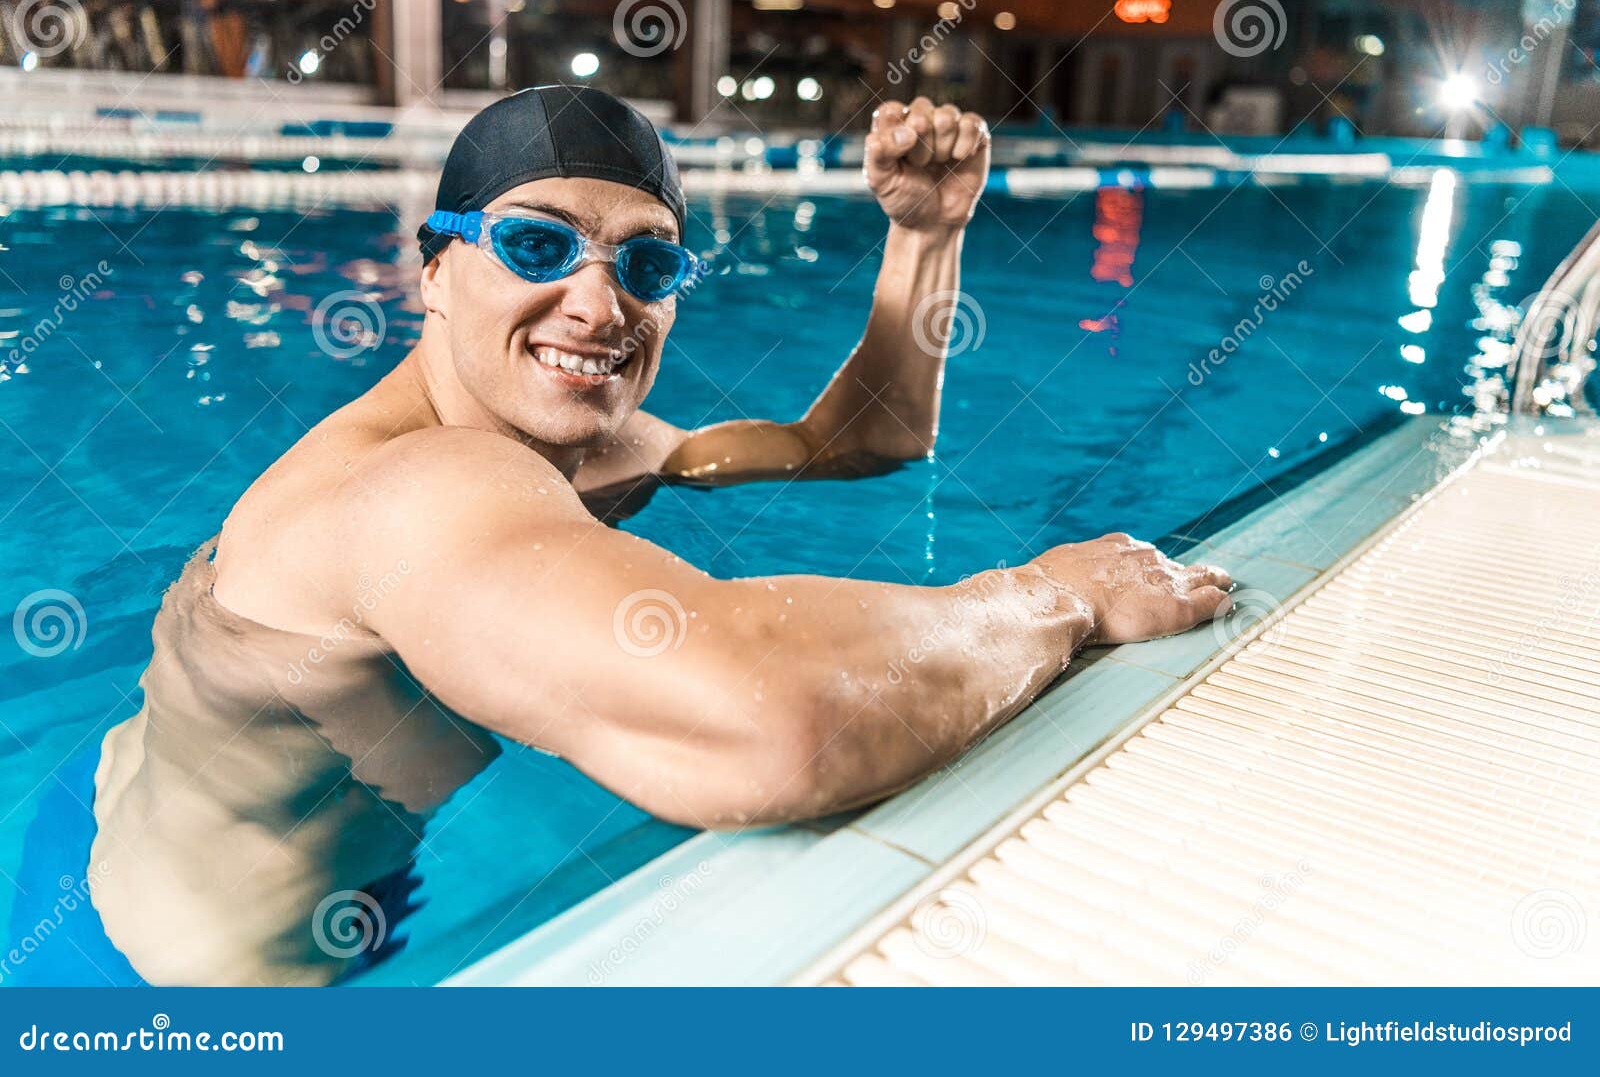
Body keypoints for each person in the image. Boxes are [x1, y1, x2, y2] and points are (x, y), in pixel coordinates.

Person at [57, 86, 1230, 985]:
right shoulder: (420, 488)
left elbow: (857, 443)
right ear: (434, 272)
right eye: (536, 245)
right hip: (197, 987)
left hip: (181, 814)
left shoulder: (590, 449)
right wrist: (1051, 598)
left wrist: (925, 238)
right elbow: (782, 722)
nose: (598, 301)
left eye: (647, 263)